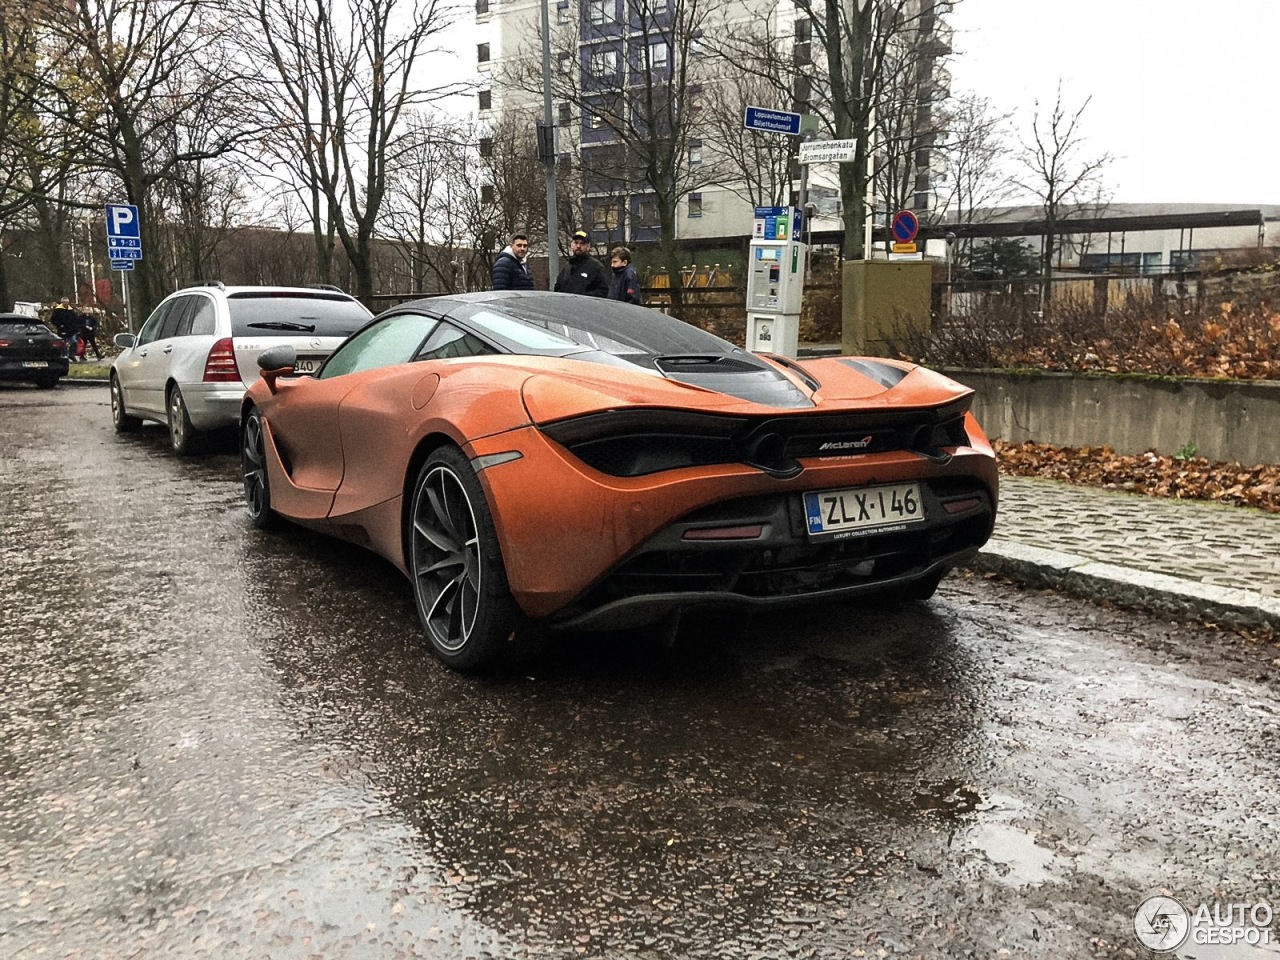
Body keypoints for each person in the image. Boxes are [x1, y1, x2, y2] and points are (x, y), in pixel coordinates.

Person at [553, 230, 609, 297]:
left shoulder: (596, 267)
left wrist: (583, 298)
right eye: (576, 243)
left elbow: (603, 291)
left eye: (582, 243)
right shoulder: (566, 269)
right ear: (572, 245)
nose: (578, 246)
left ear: (588, 246)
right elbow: (558, 290)